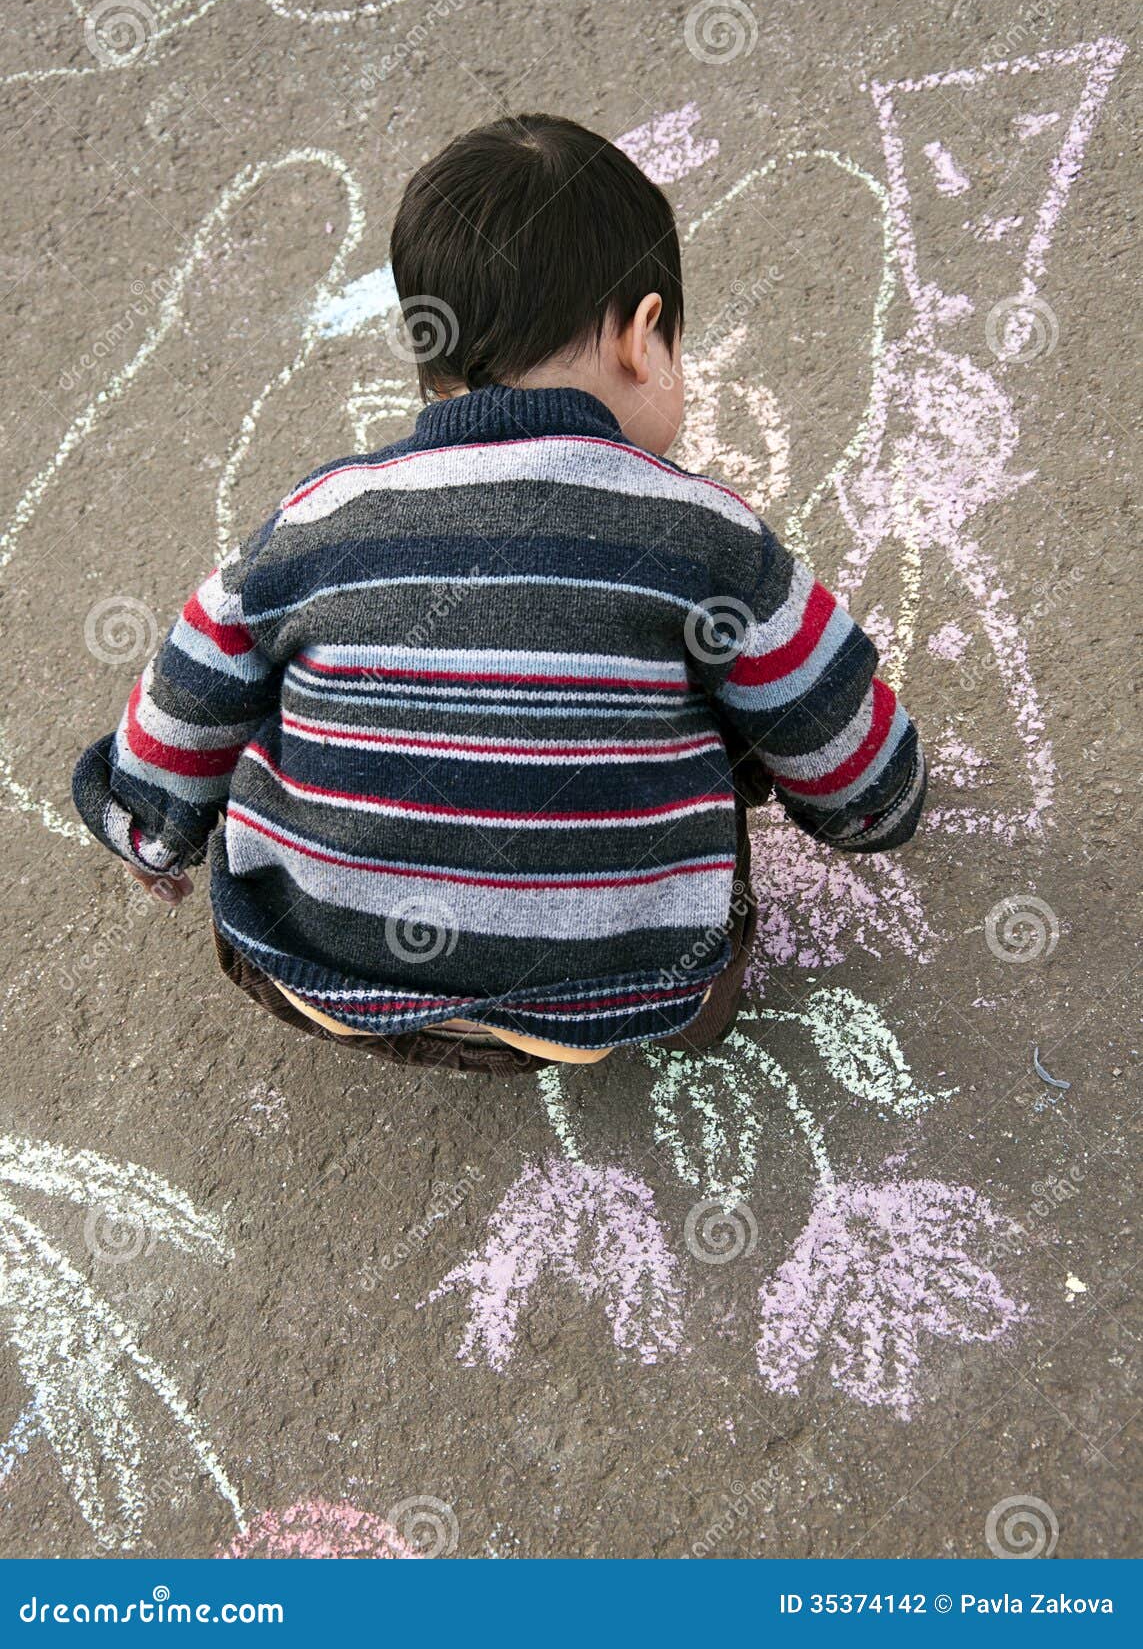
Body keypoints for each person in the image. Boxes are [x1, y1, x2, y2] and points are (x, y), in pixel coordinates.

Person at [72, 114, 925, 1076]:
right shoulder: (704, 533)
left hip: (316, 973)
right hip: (622, 998)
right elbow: (863, 784)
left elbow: (181, 696)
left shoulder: (319, 515)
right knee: (742, 697)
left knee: (275, 669)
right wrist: (875, 805)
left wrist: (149, 831)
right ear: (645, 336)